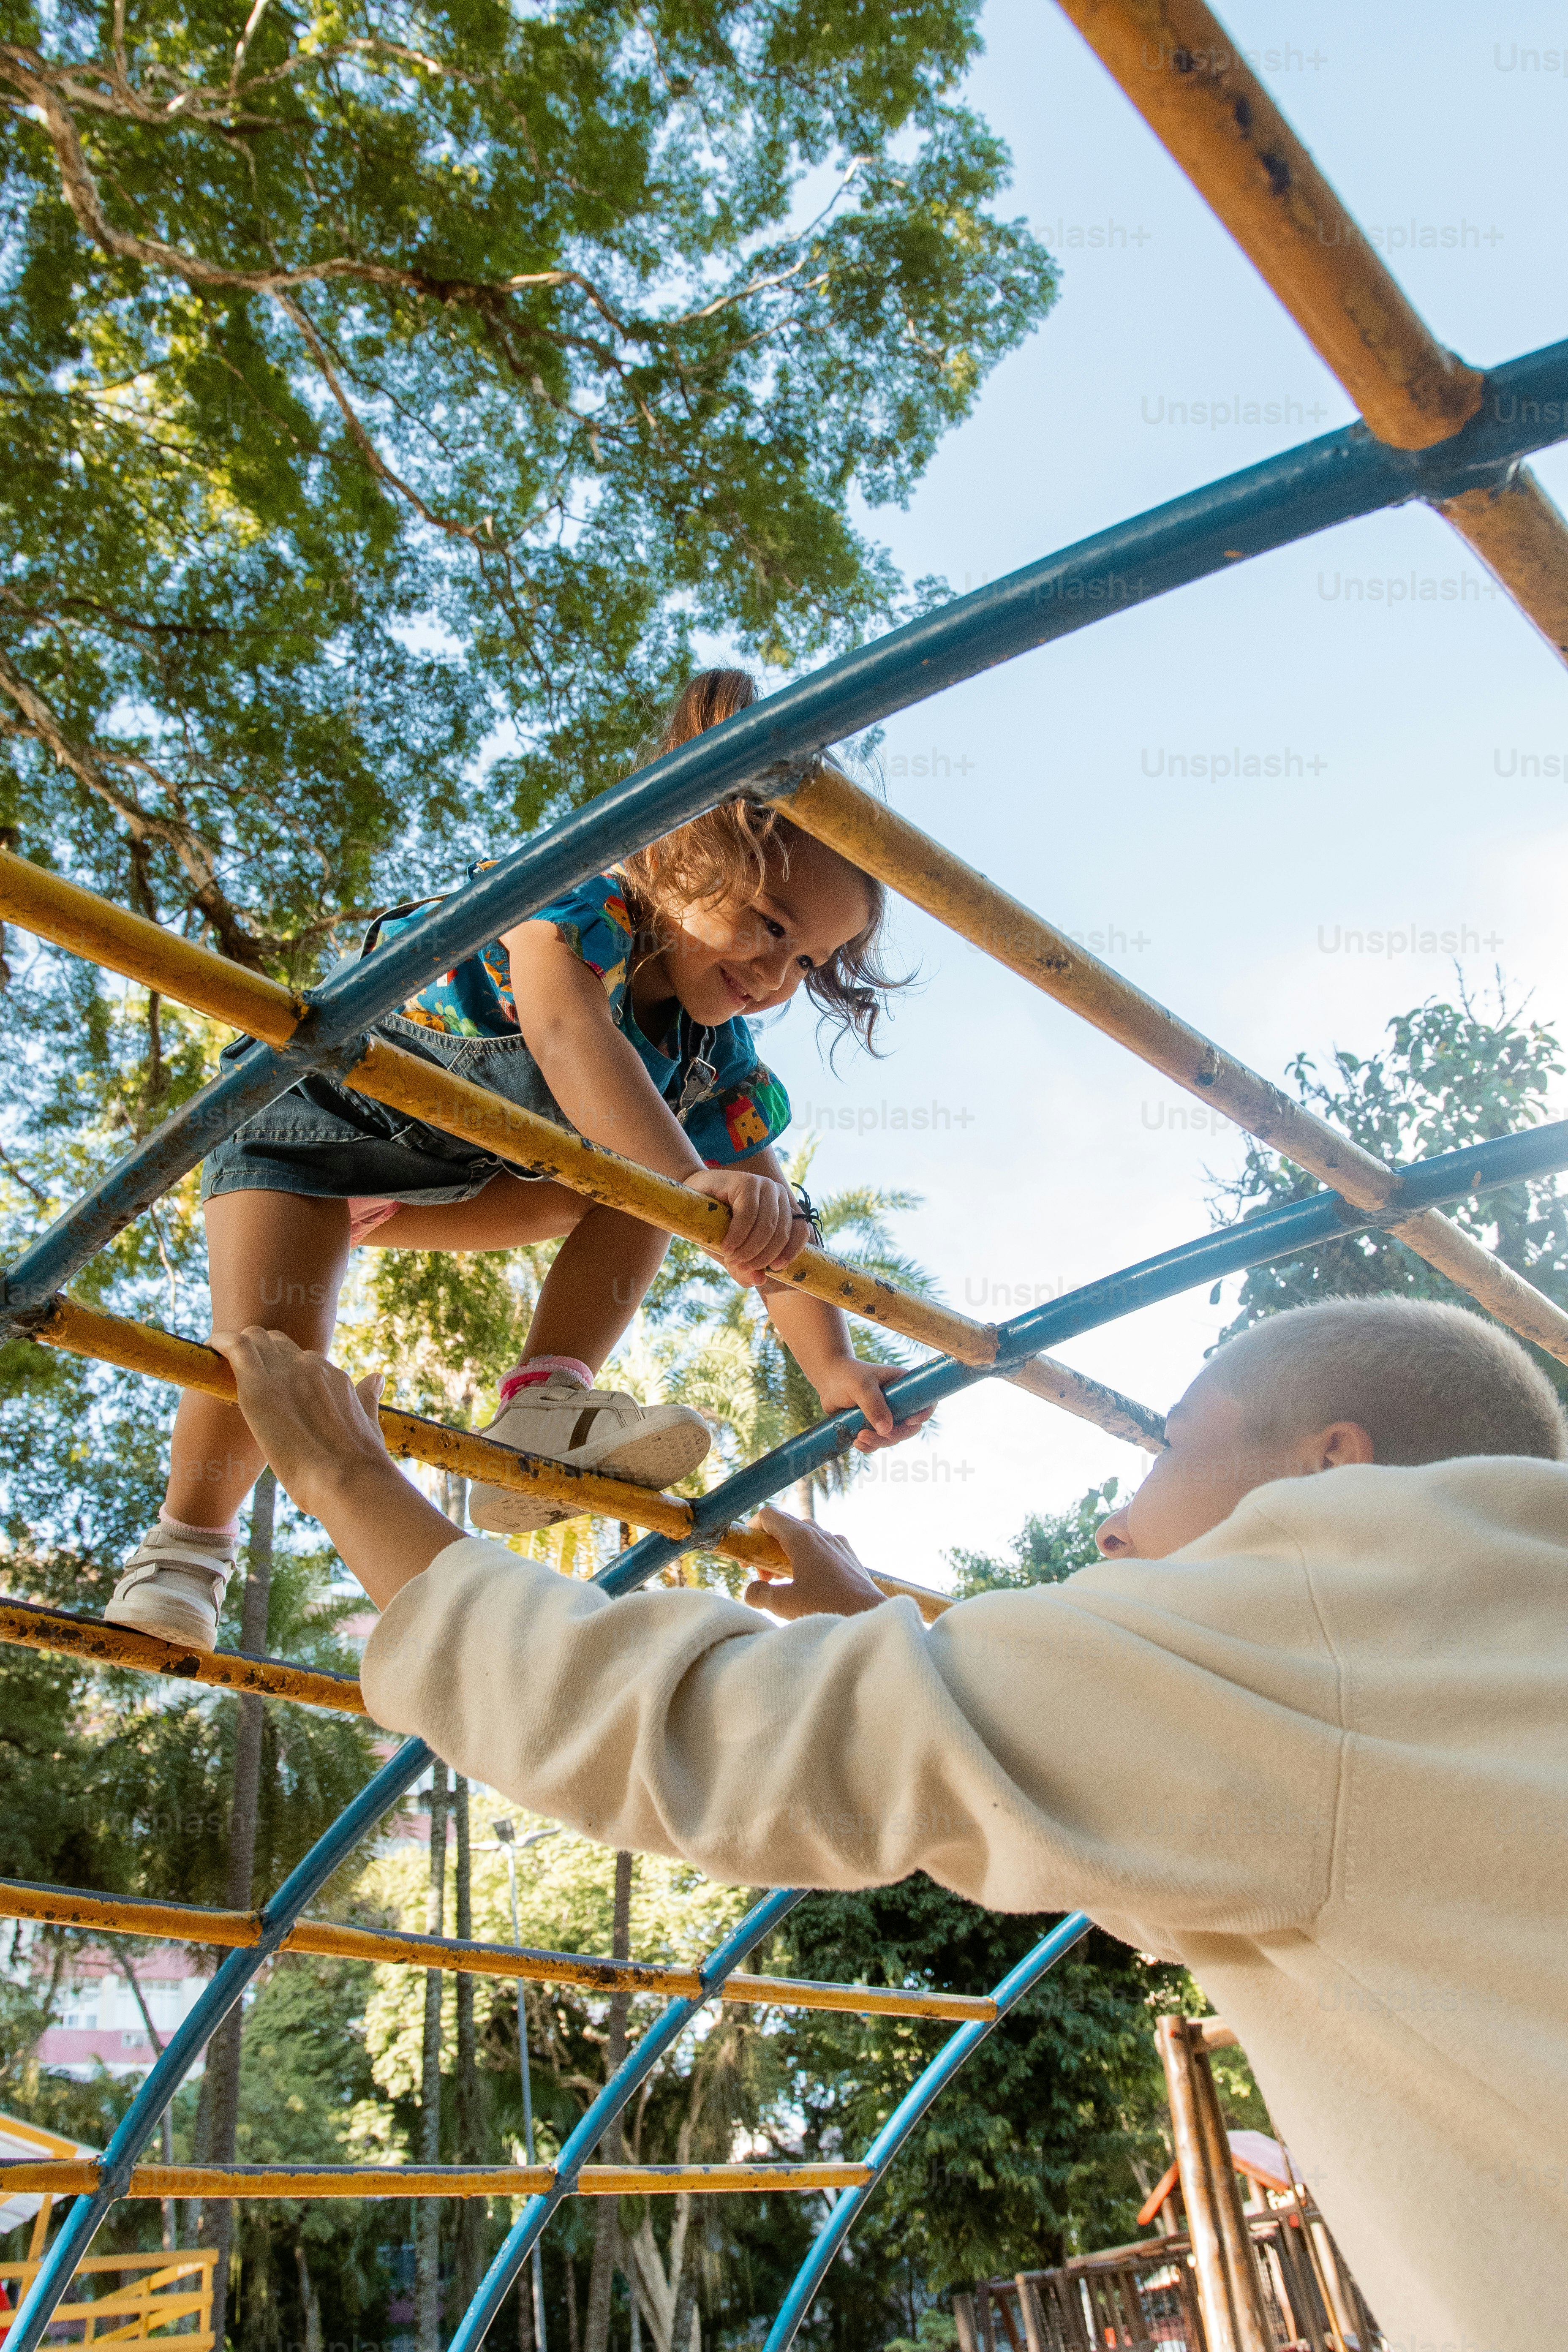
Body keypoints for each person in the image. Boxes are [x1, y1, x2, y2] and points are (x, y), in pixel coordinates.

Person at [208, 1296, 1568, 2344]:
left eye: (1166, 1446)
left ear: (1330, 1471)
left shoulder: (1318, 1614)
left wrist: (348, 1482)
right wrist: (892, 1634)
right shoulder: (1482, 1626)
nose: (1111, 1522)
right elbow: (1182, 1848)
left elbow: (716, 1737)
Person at [107, 670, 929, 1652]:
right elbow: (562, 1032)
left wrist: (830, 1363)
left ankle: (541, 1402)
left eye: (805, 963)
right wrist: (686, 1180)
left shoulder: (721, 1069)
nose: (773, 976)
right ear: (677, 852)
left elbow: (767, 1201)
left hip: (448, 1184)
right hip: (309, 1126)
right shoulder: (577, 905)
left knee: (676, 1189)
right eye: (769, 924)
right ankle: (184, 1550)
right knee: (272, 1354)